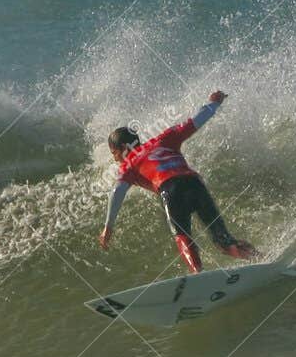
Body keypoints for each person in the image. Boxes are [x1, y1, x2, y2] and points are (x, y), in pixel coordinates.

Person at [98, 90, 257, 273]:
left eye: (114, 154)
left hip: (171, 189)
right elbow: (197, 120)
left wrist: (107, 228)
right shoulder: (164, 139)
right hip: (195, 184)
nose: (115, 159)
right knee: (224, 243)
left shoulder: (128, 164)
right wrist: (215, 102)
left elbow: (117, 192)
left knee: (183, 239)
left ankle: (198, 275)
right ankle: (262, 258)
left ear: (124, 148)